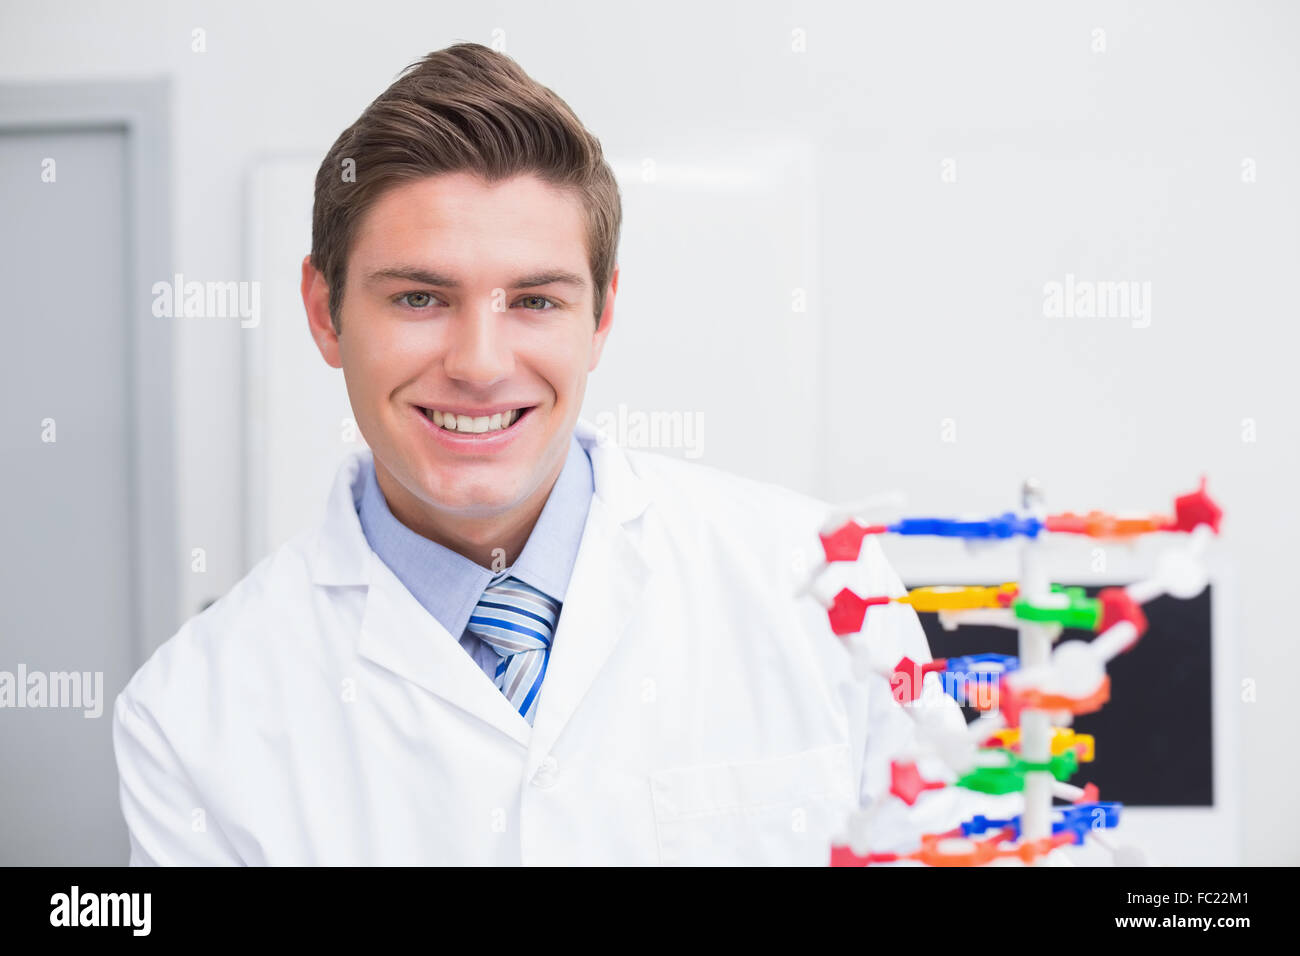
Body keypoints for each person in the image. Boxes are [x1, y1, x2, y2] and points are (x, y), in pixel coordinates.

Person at [112, 42, 965, 865]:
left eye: (534, 301)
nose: (480, 364)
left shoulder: (824, 585)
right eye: (420, 298)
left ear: (600, 316)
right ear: (324, 311)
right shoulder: (191, 717)